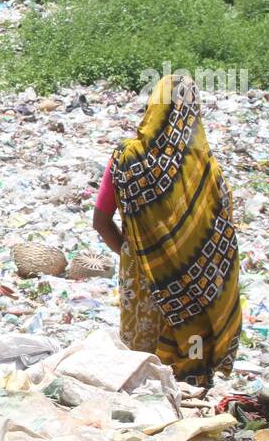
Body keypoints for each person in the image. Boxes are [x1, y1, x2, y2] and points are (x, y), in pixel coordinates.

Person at [92, 74, 241, 386]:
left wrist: (134, 254)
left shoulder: (126, 158)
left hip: (139, 274)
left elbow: (100, 222)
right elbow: (221, 234)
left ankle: (140, 408)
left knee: (139, 353)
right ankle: (188, 394)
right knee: (187, 355)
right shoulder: (204, 166)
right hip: (195, 281)